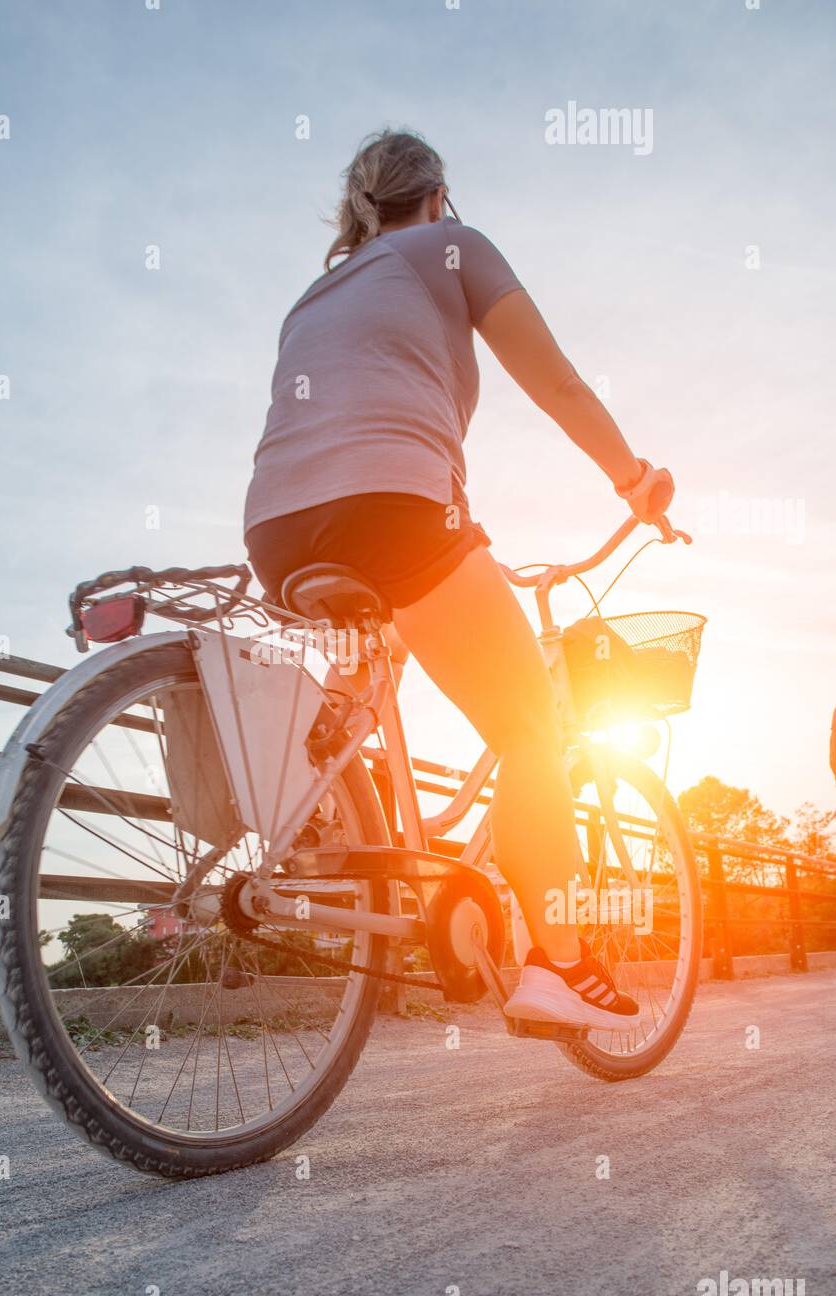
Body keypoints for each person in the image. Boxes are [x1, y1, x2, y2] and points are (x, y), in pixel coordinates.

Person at [243, 129, 673, 1032]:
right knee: (530, 725)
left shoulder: (314, 292)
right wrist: (634, 480)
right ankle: (555, 963)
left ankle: (348, 824)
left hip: (276, 531)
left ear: (356, 209)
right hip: (395, 510)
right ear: (438, 197)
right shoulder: (454, 248)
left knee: (389, 643)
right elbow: (552, 381)